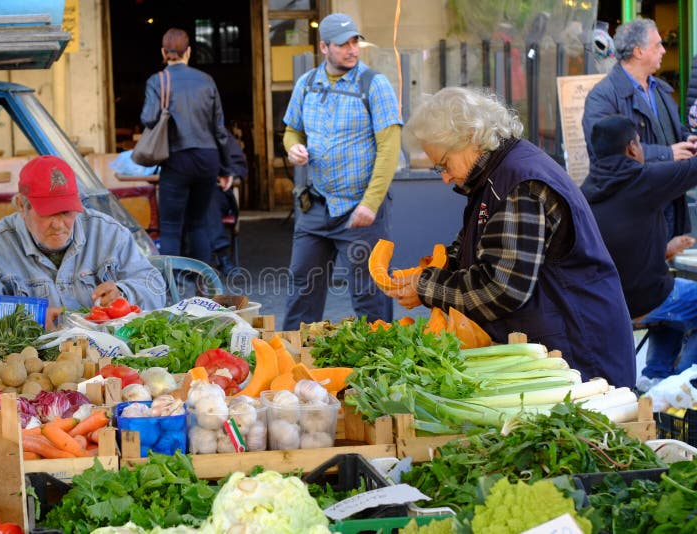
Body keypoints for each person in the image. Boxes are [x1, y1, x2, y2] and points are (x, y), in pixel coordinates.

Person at [389, 87, 636, 388]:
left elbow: (500, 288)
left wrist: (426, 286)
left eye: (444, 164)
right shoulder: (495, 176)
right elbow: (477, 244)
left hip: (580, 352)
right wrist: (438, 269)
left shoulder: (520, 184)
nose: (444, 177)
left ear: (470, 137)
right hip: (558, 345)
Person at [582, 18, 697, 384]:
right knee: (673, 296)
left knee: (669, 293)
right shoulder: (604, 96)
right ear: (637, 51)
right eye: (658, 44)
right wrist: (667, 155)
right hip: (639, 291)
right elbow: (603, 145)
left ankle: (656, 378)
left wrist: (686, 143)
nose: (664, 50)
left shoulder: (660, 89)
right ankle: (685, 382)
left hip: (654, 234)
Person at [280, 13, 403, 330]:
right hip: (316, 206)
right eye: (343, 44)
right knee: (302, 288)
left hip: (360, 209)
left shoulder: (374, 85)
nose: (352, 49)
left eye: (355, 42)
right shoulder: (307, 84)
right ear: (324, 47)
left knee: (369, 295)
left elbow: (389, 148)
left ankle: (377, 355)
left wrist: (370, 204)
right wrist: (293, 148)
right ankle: (292, 354)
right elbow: (292, 131)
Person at [0, 155, 167, 327]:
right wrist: (30, 317)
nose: (58, 225)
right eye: (47, 213)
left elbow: (155, 287)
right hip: (31, 358)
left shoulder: (108, 233)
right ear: (21, 205)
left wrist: (123, 293)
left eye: (67, 212)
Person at [140, 27, 234, 265]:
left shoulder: (157, 81)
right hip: (208, 158)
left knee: (171, 227)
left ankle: (172, 283)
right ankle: (203, 282)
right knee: (198, 223)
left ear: (163, 52)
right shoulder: (206, 80)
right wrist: (226, 169)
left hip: (176, 158)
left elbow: (148, 119)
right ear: (189, 52)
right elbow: (219, 128)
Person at [206, 134, 247, 276]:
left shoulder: (221, 135)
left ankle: (222, 255)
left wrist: (227, 174)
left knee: (208, 197)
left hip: (216, 193)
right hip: (184, 193)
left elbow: (239, 166)